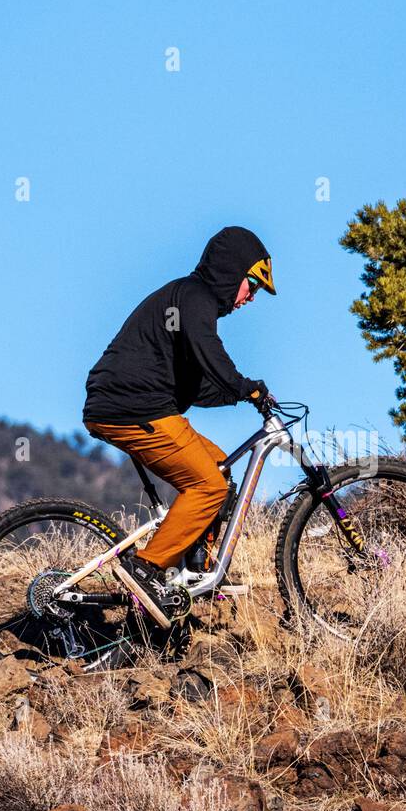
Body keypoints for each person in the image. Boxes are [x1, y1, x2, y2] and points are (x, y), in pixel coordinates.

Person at [82, 225, 275, 621]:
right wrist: (244, 386)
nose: (250, 298)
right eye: (251, 286)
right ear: (230, 271)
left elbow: (198, 387)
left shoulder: (190, 302)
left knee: (219, 468)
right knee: (209, 485)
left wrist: (243, 394)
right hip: (133, 409)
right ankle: (146, 568)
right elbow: (209, 352)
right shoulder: (194, 298)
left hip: (140, 406)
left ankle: (192, 572)